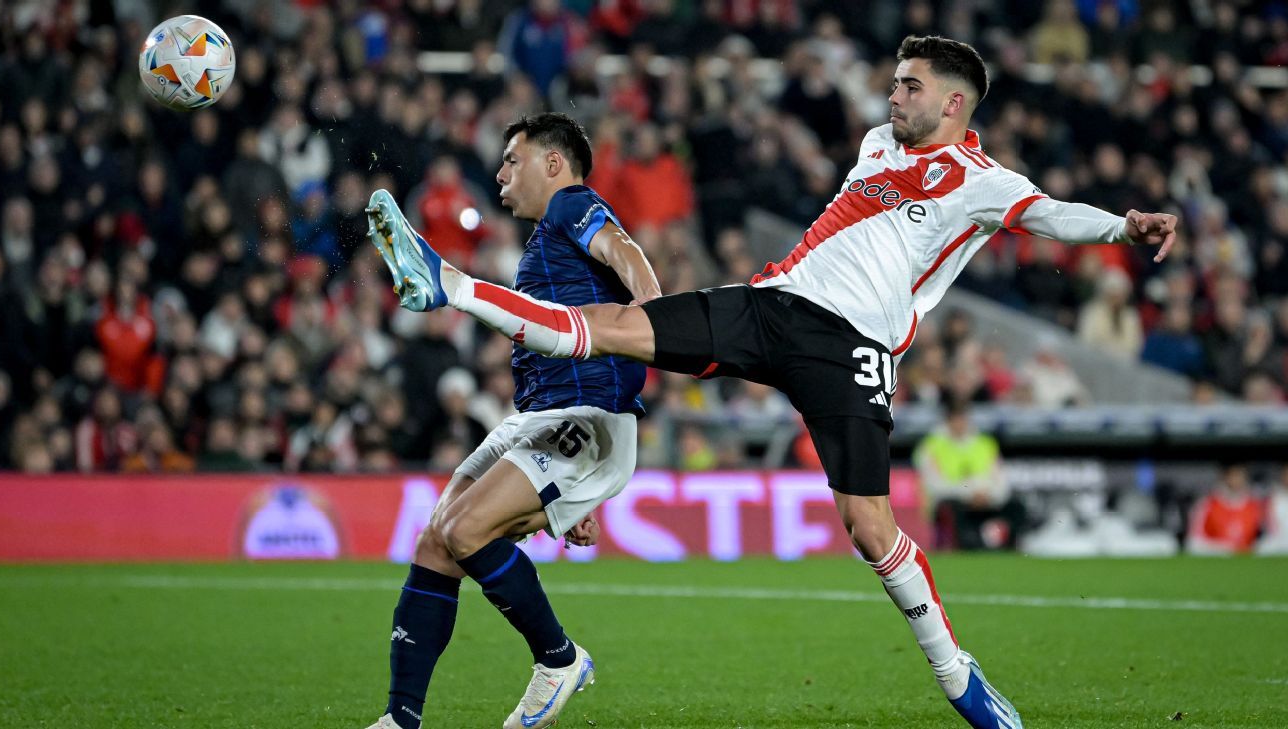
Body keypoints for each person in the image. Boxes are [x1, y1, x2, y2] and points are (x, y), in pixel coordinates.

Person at [370, 36, 1179, 729]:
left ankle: (956, 672)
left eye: (912, 85)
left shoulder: (982, 181)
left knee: (869, 528)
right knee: (614, 331)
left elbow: (1052, 214)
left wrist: (1123, 224)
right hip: (772, 304)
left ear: (957, 102)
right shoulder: (874, 146)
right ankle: (450, 283)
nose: (894, 95)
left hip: (851, 349)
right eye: (896, 82)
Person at [362, 113, 662, 729]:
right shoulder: (550, 238)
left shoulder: (572, 205)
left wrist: (658, 319)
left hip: (584, 418)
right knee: (438, 540)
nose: (499, 173)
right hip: (543, 418)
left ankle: (558, 658)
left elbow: (624, 250)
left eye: (511, 160)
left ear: (553, 164)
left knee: (468, 529)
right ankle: (400, 718)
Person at [913, 399, 1024, 550]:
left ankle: (1010, 546)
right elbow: (934, 485)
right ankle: (964, 547)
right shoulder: (931, 446)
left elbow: (1000, 480)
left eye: (963, 418)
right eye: (956, 419)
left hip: (985, 498)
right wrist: (969, 494)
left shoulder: (986, 444)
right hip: (954, 501)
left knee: (1016, 506)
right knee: (952, 509)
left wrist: (988, 495)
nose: (960, 423)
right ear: (947, 420)